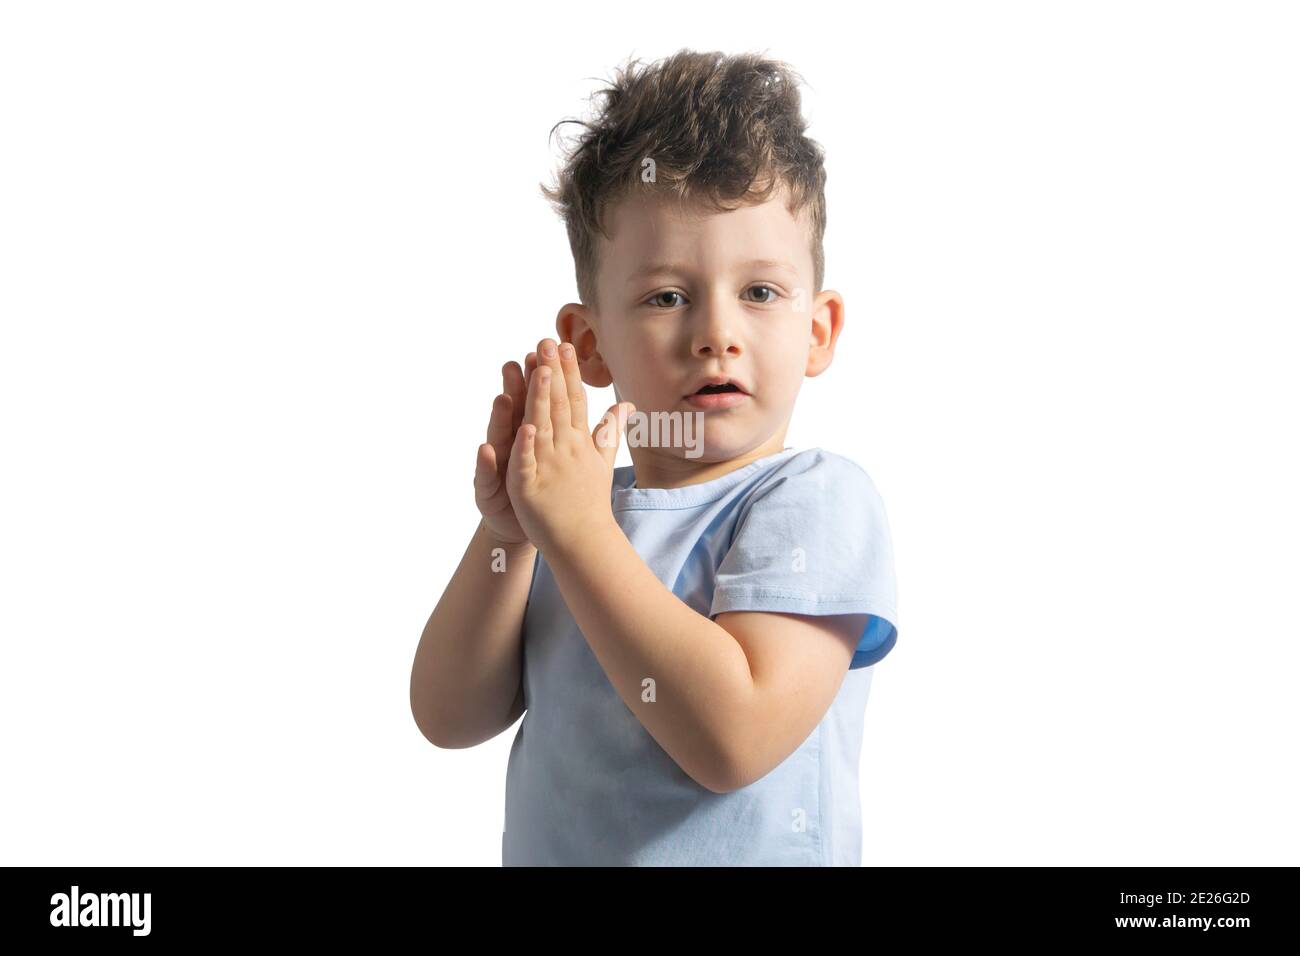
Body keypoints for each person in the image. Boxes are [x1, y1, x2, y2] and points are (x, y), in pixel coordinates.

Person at [410, 48, 899, 866]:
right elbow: (448, 715)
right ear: (590, 343)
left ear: (818, 330)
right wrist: (511, 532)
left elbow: (732, 739)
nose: (716, 332)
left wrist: (576, 533)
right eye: (667, 296)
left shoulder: (818, 500)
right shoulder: (571, 516)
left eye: (760, 292)